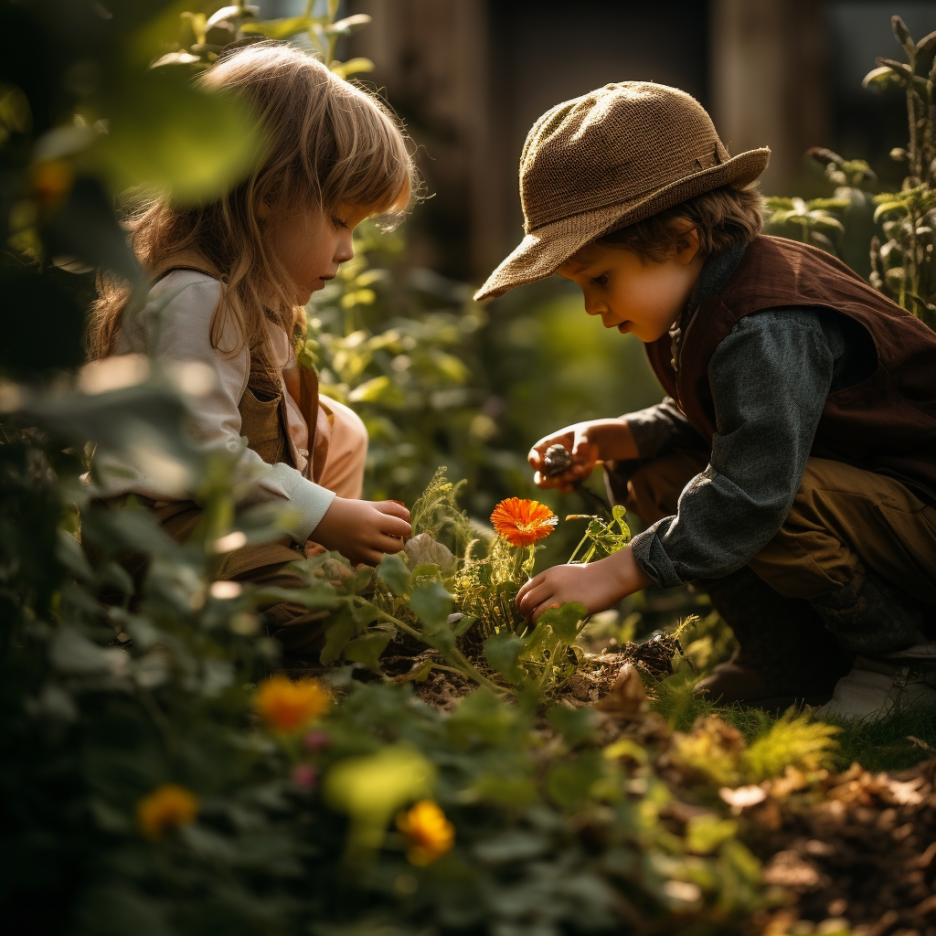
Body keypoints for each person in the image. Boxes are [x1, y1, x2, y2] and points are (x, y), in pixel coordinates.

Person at [474, 81, 936, 719]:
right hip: (875, 507)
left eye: (600, 279)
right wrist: (629, 435)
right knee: (657, 470)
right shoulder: (704, 302)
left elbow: (754, 484)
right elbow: (746, 416)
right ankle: (790, 656)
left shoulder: (765, 323)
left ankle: (907, 660)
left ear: (683, 242)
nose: (592, 307)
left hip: (922, 510)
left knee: (764, 495)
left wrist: (620, 570)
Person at [86, 43, 414, 658]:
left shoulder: (248, 301)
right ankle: (248, 617)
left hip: (218, 520)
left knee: (340, 427)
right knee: (316, 624)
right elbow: (199, 453)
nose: (348, 251)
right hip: (161, 530)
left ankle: (301, 570)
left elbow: (280, 429)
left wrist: (325, 510)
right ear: (269, 196)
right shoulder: (196, 298)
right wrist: (325, 514)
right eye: (341, 221)